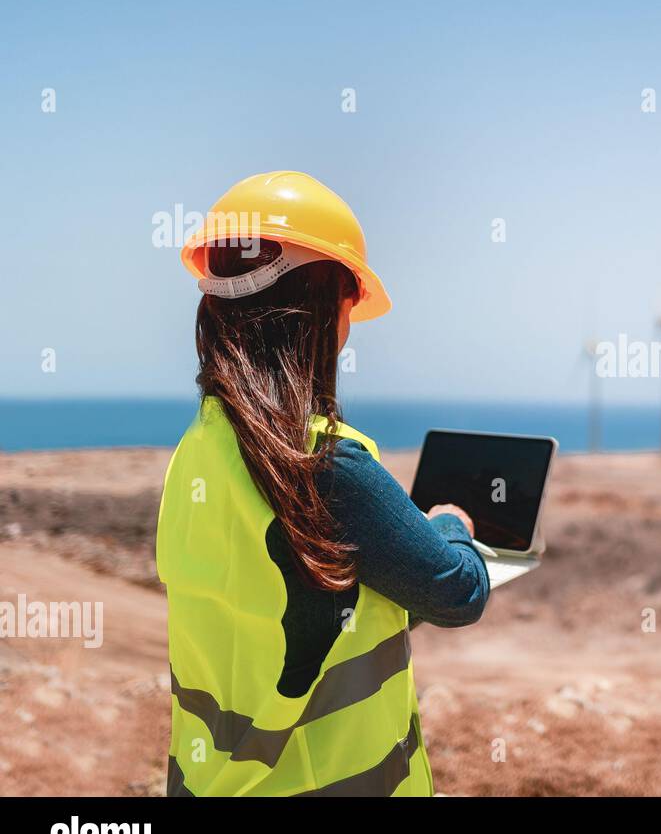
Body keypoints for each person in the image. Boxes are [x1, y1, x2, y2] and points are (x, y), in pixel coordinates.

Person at [156, 171, 488, 796]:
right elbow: (459, 593)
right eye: (347, 300)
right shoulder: (324, 466)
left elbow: (275, 609)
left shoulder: (194, 454)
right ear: (321, 303)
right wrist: (448, 527)